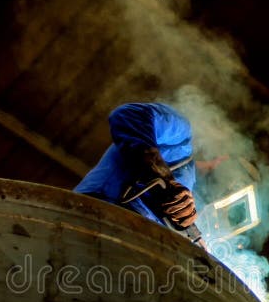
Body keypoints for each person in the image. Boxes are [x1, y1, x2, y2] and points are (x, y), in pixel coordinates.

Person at [73, 103, 202, 242]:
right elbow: (129, 115)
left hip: (134, 242)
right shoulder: (181, 138)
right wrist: (165, 180)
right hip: (96, 215)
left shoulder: (191, 185)